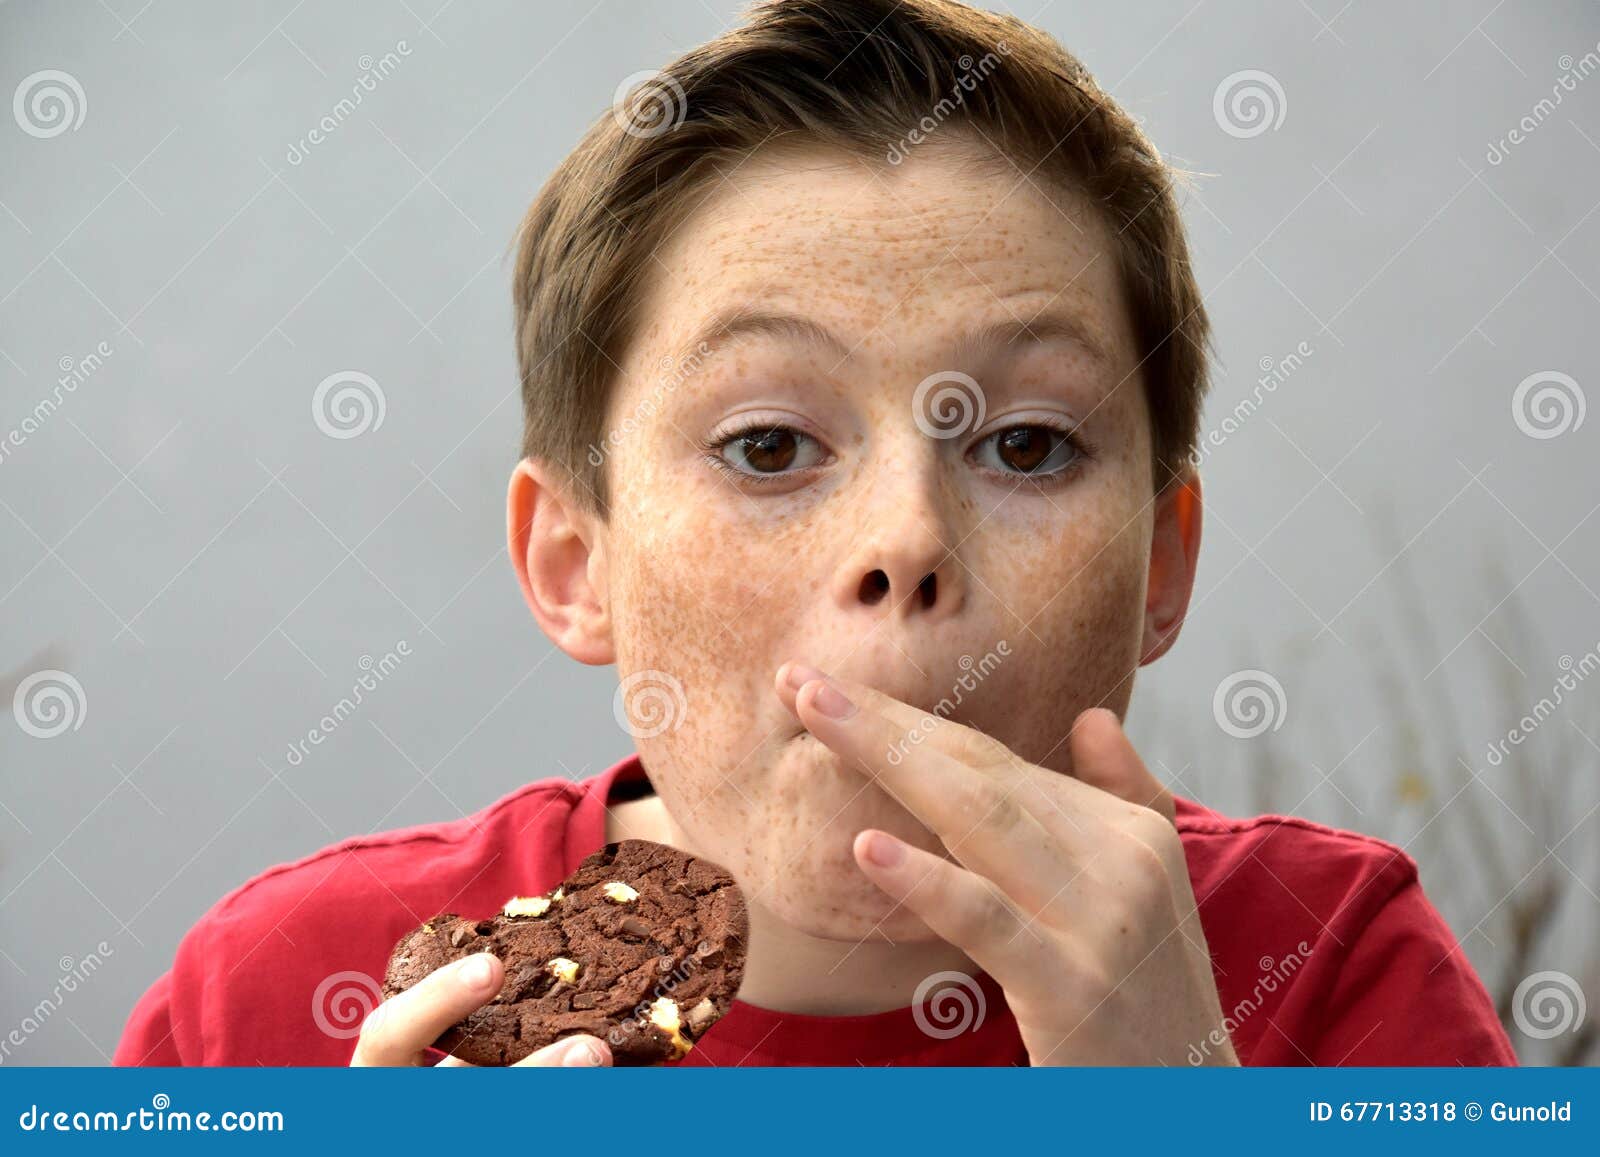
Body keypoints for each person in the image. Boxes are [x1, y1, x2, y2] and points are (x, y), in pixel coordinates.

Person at [114, 0, 1515, 1067]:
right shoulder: (271, 1000)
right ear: (576, 560)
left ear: (1162, 564)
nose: (906, 539)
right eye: (769, 446)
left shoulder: (1333, 977)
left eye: (1025, 444)